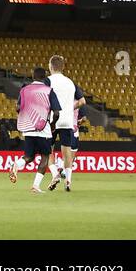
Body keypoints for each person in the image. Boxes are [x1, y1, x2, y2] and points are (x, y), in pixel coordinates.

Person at [9, 66, 61, 195]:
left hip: (28, 128)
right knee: (45, 157)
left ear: (33, 77)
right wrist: (53, 124)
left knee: (29, 156)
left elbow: (17, 108)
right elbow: (56, 112)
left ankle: (16, 164)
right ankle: (35, 186)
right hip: (43, 129)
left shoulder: (24, 90)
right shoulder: (49, 91)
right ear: (44, 77)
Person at [46, 55, 85, 193]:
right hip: (67, 121)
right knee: (66, 151)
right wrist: (69, 108)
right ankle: (68, 181)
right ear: (63, 67)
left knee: (47, 150)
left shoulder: (47, 81)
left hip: (52, 120)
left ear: (50, 66)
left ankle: (55, 173)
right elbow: (82, 101)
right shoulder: (70, 82)